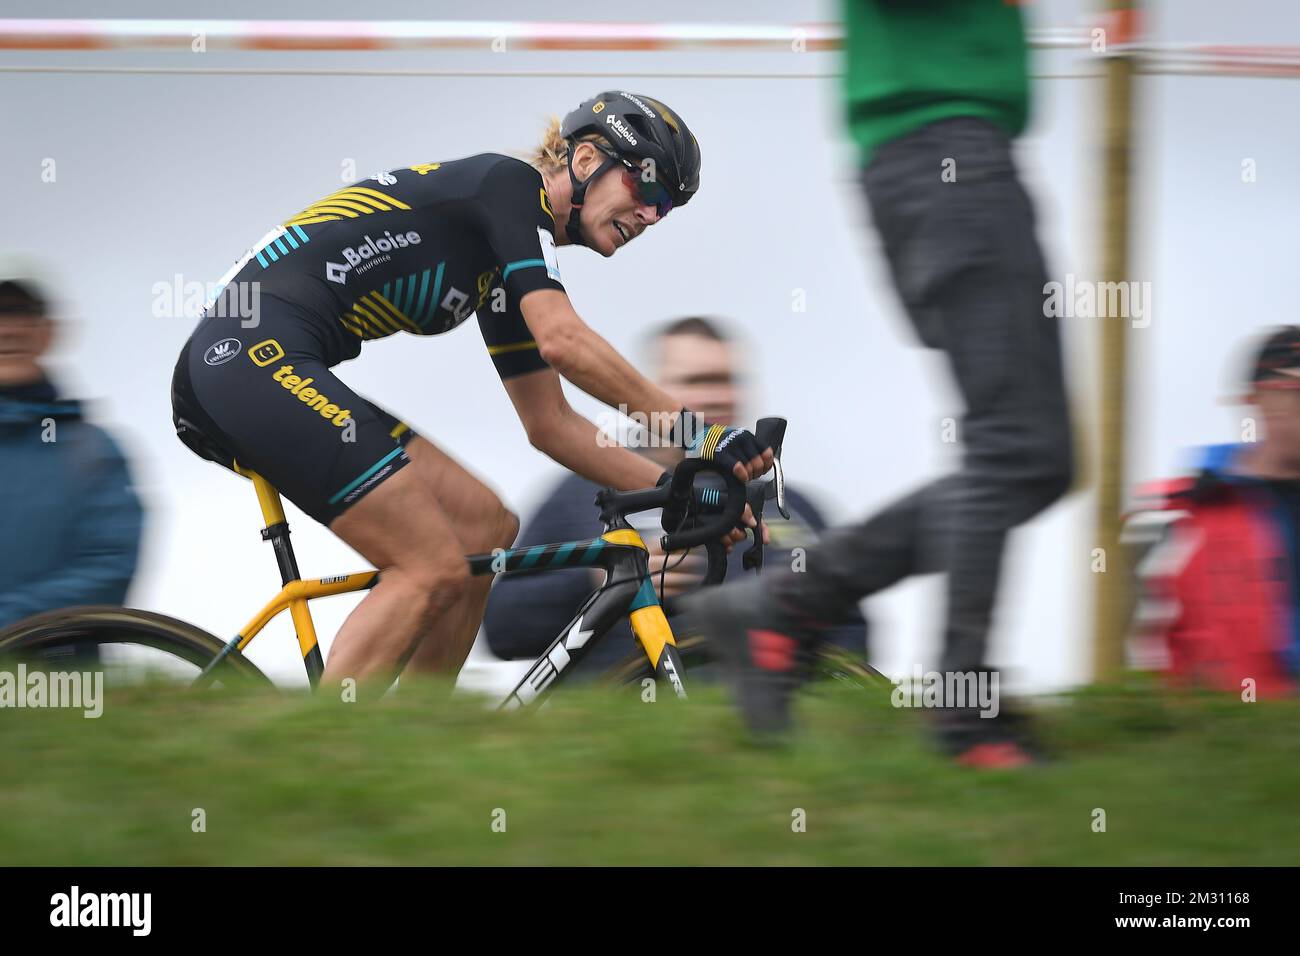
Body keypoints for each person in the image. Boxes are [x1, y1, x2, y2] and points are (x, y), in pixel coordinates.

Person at [170, 92, 771, 695]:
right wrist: (705, 436)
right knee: (430, 566)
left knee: (483, 527)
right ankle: (320, 759)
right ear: (586, 159)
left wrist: (671, 491)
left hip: (258, 366)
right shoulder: (508, 187)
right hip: (246, 358)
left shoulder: (504, 256)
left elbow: (551, 424)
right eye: (648, 190)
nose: (650, 216)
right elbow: (563, 341)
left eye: (665, 208)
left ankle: (419, 740)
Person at [684, 1, 1075, 767]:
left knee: (1034, 458)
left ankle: (782, 609)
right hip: (945, 150)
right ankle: (964, 715)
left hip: (947, 152)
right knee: (1015, 449)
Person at [483, 316, 869, 675]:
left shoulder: (789, 506)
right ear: (652, 395)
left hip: (767, 730)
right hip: (625, 728)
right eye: (698, 382)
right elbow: (502, 628)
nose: (718, 396)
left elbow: (853, 635)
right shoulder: (584, 490)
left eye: (727, 381)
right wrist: (604, 578)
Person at [1126, 327, 1300, 698]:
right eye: (1292, 391)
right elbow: (1156, 637)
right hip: (1237, 726)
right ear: (1253, 398)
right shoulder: (1186, 511)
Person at [0, 259, 143, 632]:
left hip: (58, 681)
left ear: (48, 332)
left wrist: (9, 622)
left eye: (19, 313)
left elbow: (110, 569)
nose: (8, 330)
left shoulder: (93, 450)